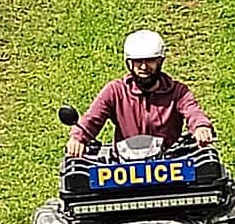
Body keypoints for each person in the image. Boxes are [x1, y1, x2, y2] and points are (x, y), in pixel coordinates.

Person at [66, 29, 216, 158]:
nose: (144, 67)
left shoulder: (178, 92)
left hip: (170, 163)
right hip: (123, 167)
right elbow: (92, 118)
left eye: (150, 61)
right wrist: (78, 138)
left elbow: (193, 111)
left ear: (160, 61)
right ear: (129, 63)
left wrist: (201, 127)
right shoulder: (115, 91)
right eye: (138, 61)